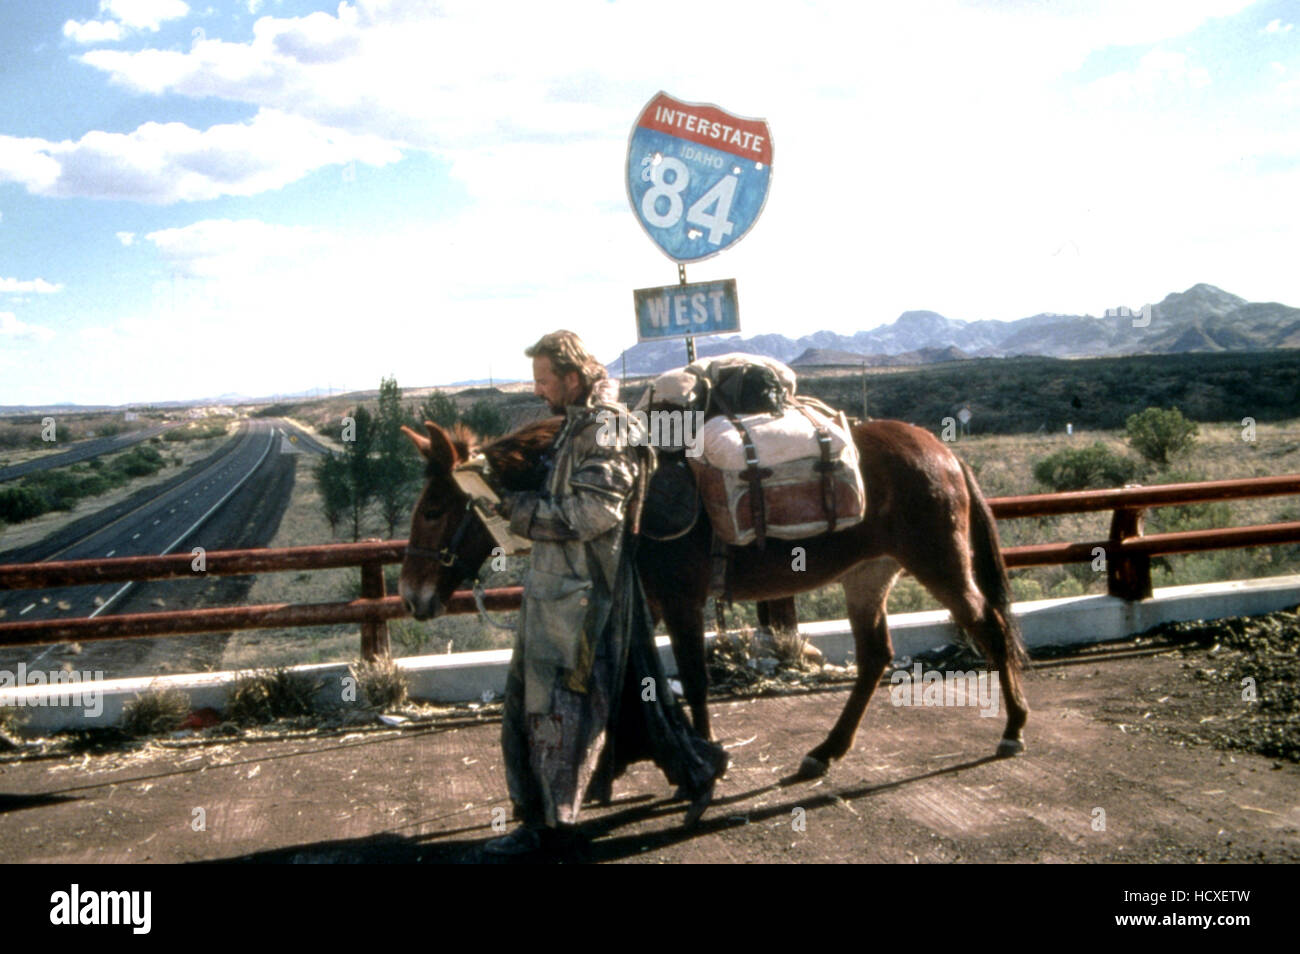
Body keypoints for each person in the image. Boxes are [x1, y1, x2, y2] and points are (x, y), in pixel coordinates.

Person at [485, 330, 727, 857]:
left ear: (573, 377)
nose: (539, 392)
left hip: (586, 598)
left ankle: (546, 828)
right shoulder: (579, 425)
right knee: (635, 693)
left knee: (554, 706)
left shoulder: (609, 429)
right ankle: (697, 763)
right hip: (564, 588)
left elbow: (595, 514)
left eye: (545, 381)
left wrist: (516, 511)